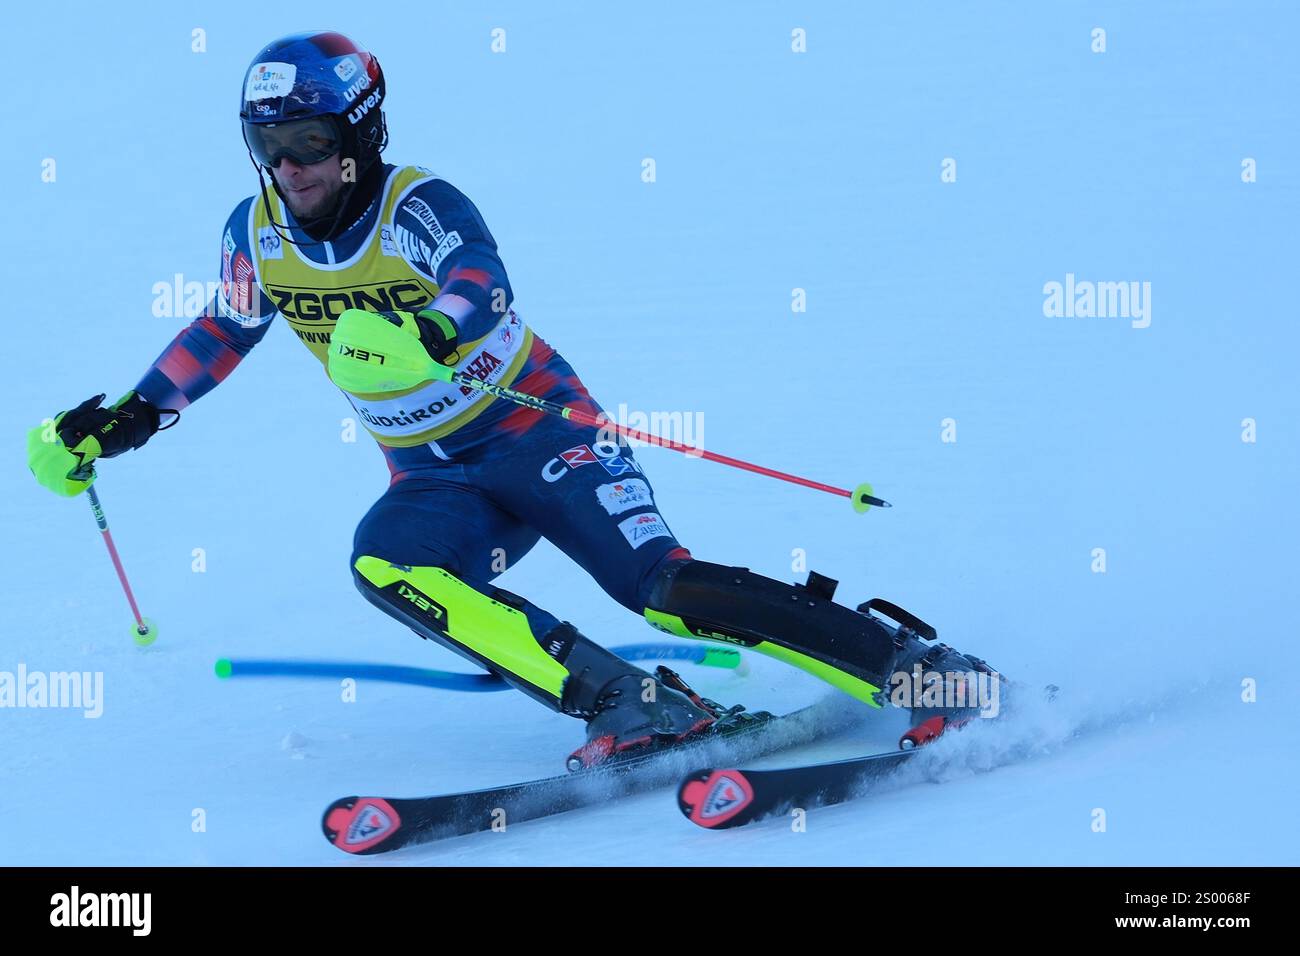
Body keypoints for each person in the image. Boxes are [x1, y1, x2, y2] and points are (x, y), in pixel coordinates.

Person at [27, 31, 997, 769]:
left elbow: (481, 279)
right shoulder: (259, 230)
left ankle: (918, 667)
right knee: (387, 561)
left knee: (657, 589)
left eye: (312, 143)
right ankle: (634, 705)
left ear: (358, 136)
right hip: (438, 476)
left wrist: (431, 334)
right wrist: (133, 416)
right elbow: (227, 326)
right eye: (269, 146)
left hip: (539, 433)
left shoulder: (416, 204)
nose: (292, 168)